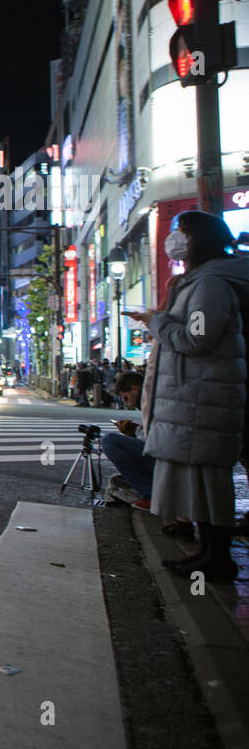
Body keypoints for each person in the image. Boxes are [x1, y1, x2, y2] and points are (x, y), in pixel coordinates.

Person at [127, 211, 248, 583]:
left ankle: (217, 559)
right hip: (197, 396)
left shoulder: (210, 285)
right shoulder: (198, 281)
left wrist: (155, 321)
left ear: (197, 239)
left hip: (206, 397)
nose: (174, 238)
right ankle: (208, 554)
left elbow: (198, 338)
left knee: (209, 481)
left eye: (181, 231)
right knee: (201, 482)